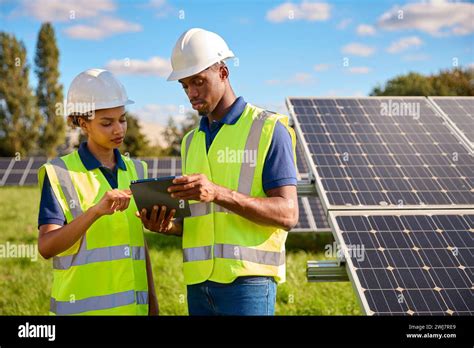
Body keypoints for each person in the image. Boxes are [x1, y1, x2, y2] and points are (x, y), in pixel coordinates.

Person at [138, 28, 299, 316]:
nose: (192, 93)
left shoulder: (269, 129)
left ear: (223, 72)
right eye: (185, 86)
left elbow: (288, 214)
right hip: (198, 285)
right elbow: (200, 222)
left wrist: (217, 193)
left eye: (198, 81)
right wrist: (167, 226)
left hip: (248, 283)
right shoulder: (190, 141)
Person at [37, 68, 158, 315]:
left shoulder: (138, 170)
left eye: (122, 119)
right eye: (107, 123)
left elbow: (139, 245)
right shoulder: (59, 173)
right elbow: (47, 247)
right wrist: (94, 212)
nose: (119, 130)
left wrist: (153, 305)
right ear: (84, 124)